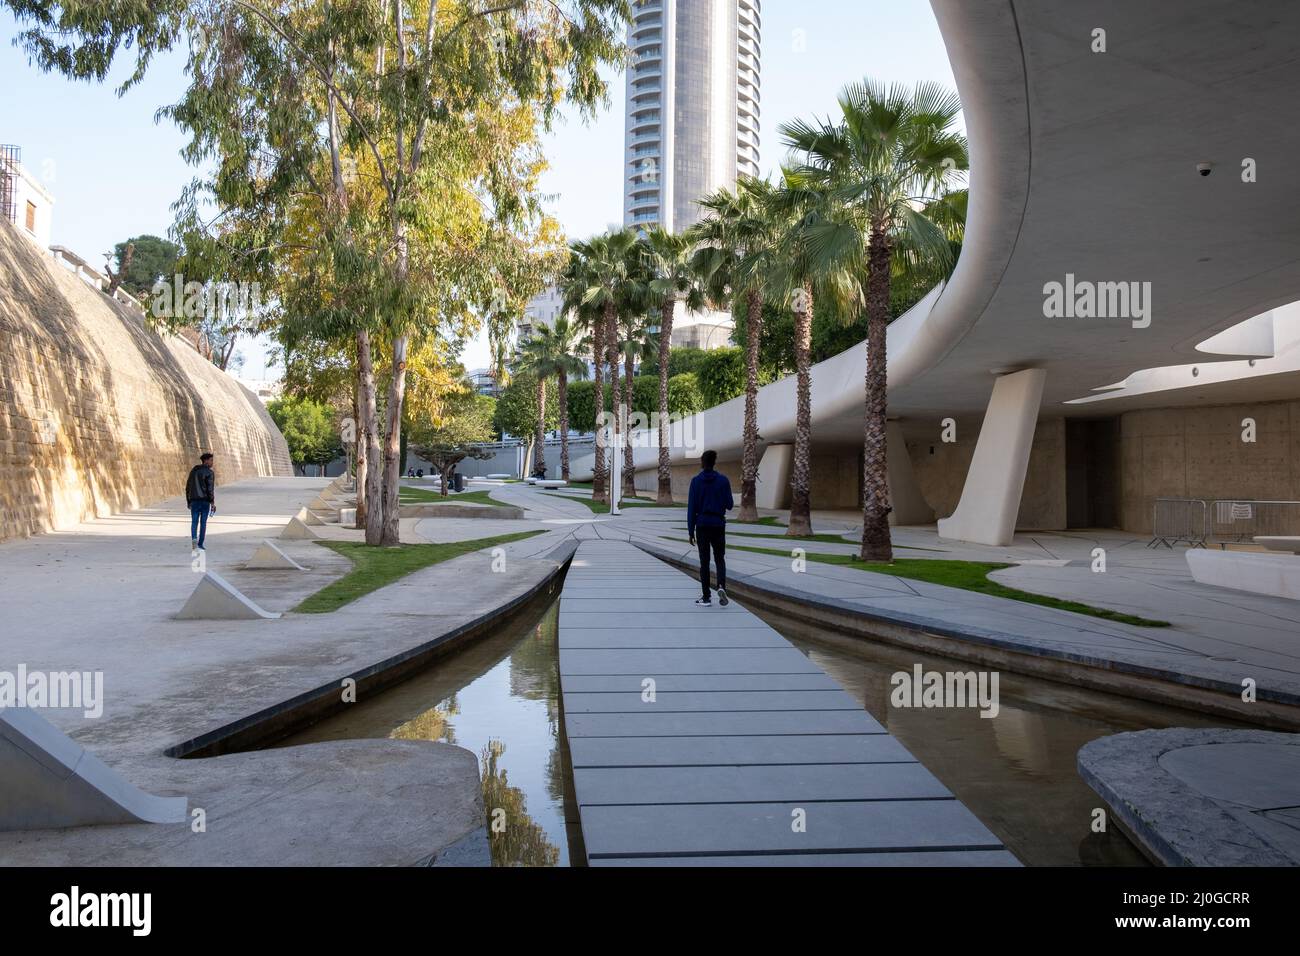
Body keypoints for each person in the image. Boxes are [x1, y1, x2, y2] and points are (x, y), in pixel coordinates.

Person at [686, 449, 733, 606]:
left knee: (704, 561)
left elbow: (692, 508)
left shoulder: (695, 481)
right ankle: (721, 586)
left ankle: (706, 597)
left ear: (702, 463)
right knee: (720, 558)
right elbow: (730, 505)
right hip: (718, 524)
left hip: (702, 525)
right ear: (714, 462)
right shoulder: (723, 481)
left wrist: (690, 531)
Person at [185, 452, 216, 551]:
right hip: (205, 501)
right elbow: (210, 489)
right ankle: (200, 544)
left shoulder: (194, 471)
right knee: (203, 523)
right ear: (206, 461)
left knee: (194, 522)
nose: (212, 462)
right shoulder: (209, 473)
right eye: (211, 460)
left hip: (194, 501)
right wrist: (212, 503)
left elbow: (188, 487)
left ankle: (194, 541)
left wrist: (188, 501)